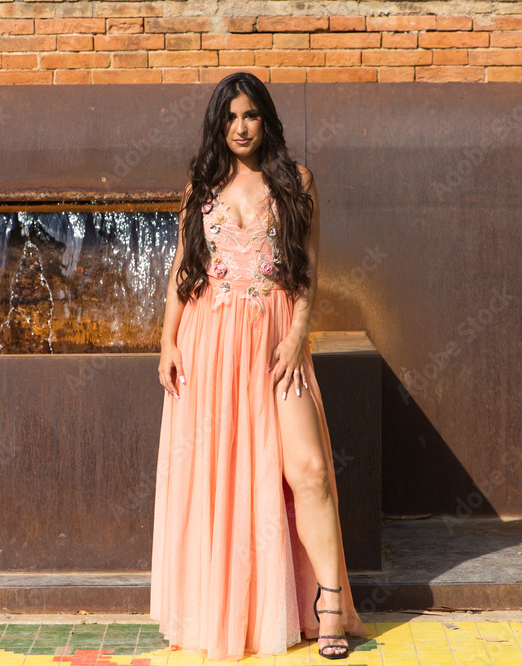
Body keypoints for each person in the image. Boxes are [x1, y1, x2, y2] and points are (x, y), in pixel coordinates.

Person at [150, 72, 370, 661]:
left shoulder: (297, 183)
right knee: (223, 478)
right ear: (217, 127)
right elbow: (182, 267)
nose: (240, 128)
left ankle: (329, 604)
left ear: (265, 119)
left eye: (249, 116)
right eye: (229, 118)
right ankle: (233, 610)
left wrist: (298, 335)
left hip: (276, 338)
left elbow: (308, 271)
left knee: (310, 470)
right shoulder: (199, 189)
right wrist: (167, 342)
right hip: (210, 342)